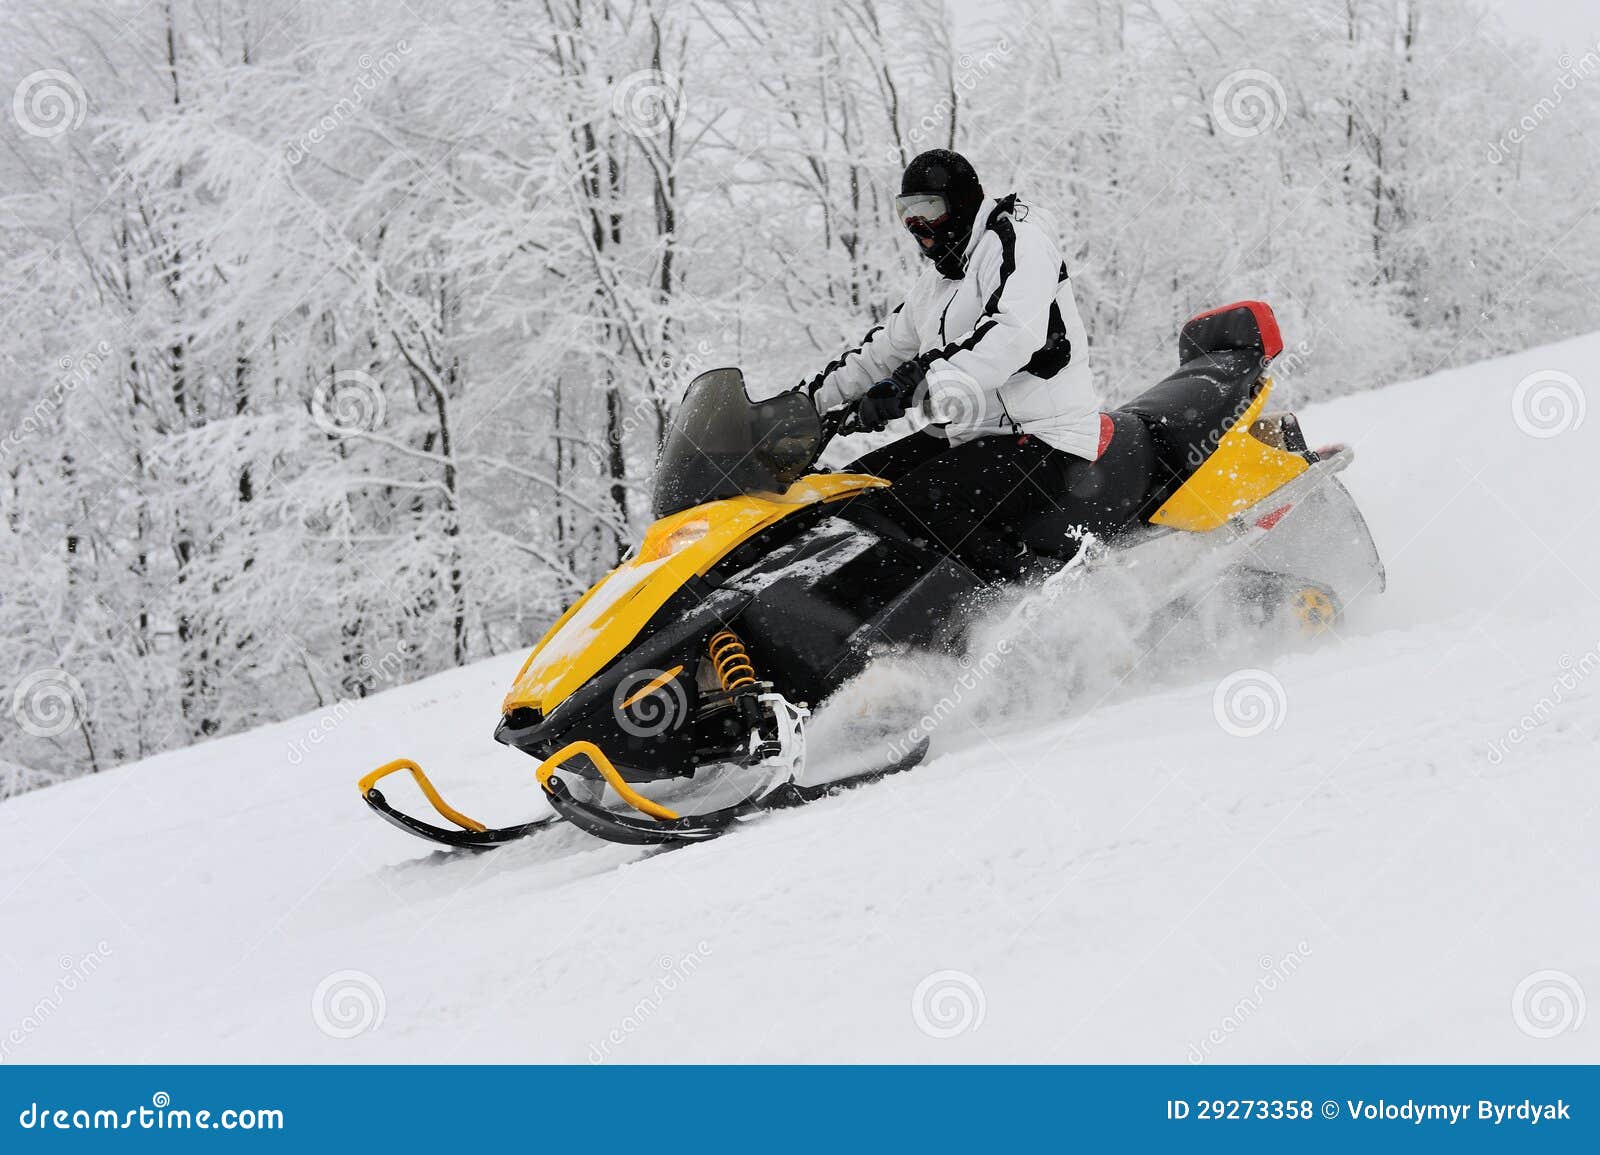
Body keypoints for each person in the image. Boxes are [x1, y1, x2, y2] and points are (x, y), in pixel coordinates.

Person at [802, 149, 1144, 581]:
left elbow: (1010, 334)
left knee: (920, 503)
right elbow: (879, 354)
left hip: (1044, 434)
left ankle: (1022, 601)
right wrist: (804, 405)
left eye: (928, 209)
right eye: (905, 212)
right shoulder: (942, 279)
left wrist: (913, 384)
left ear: (962, 202)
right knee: (852, 493)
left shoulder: (1016, 241)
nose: (916, 224)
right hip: (975, 434)